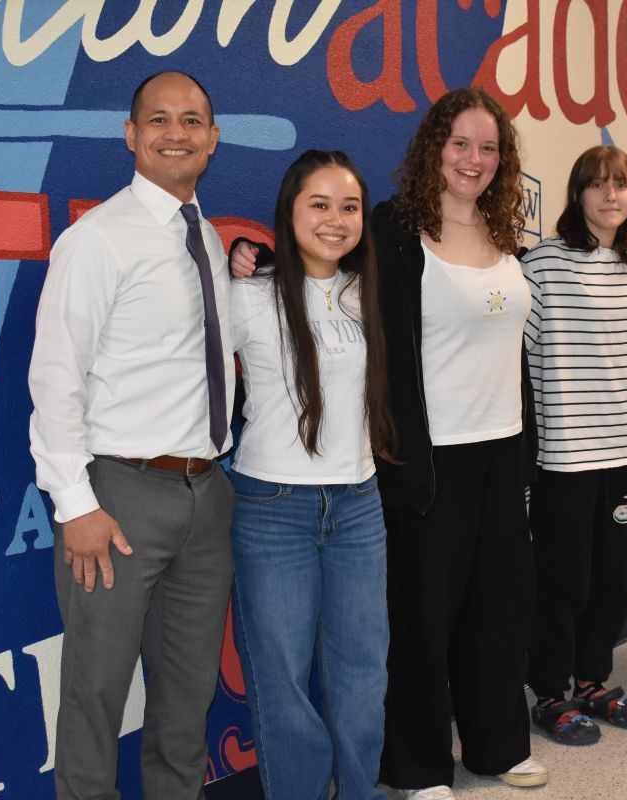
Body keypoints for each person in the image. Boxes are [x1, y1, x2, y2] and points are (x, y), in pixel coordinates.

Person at [232, 86, 543, 800]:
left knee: (499, 604)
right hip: (427, 455)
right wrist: (255, 254)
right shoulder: (395, 228)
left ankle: (498, 746)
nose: (473, 158)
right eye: (459, 143)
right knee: (420, 618)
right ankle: (419, 767)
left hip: (501, 449)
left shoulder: (504, 234)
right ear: (434, 147)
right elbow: (323, 267)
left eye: (488, 146)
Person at [28, 71, 235, 799]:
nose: (175, 132)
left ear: (212, 138)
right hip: (119, 498)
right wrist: (75, 504)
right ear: (131, 134)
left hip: (208, 496)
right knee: (95, 696)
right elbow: (55, 378)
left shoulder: (205, 236)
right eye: (158, 119)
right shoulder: (97, 240)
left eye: (191, 120)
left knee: (186, 702)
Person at [229, 149, 395, 800]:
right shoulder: (246, 294)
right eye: (318, 204)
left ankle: (359, 790)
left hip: (359, 503)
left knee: (362, 671)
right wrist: (244, 253)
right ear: (289, 213)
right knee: (283, 678)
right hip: (271, 508)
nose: (335, 219)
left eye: (349, 207)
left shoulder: (370, 292)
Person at [521, 145, 627, 745]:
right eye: (596, 185)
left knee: (611, 582)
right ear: (577, 195)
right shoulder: (543, 264)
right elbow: (516, 357)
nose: (610, 196)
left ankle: (592, 680)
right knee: (562, 583)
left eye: (620, 185)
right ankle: (548, 692)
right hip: (565, 458)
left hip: (625, 455)